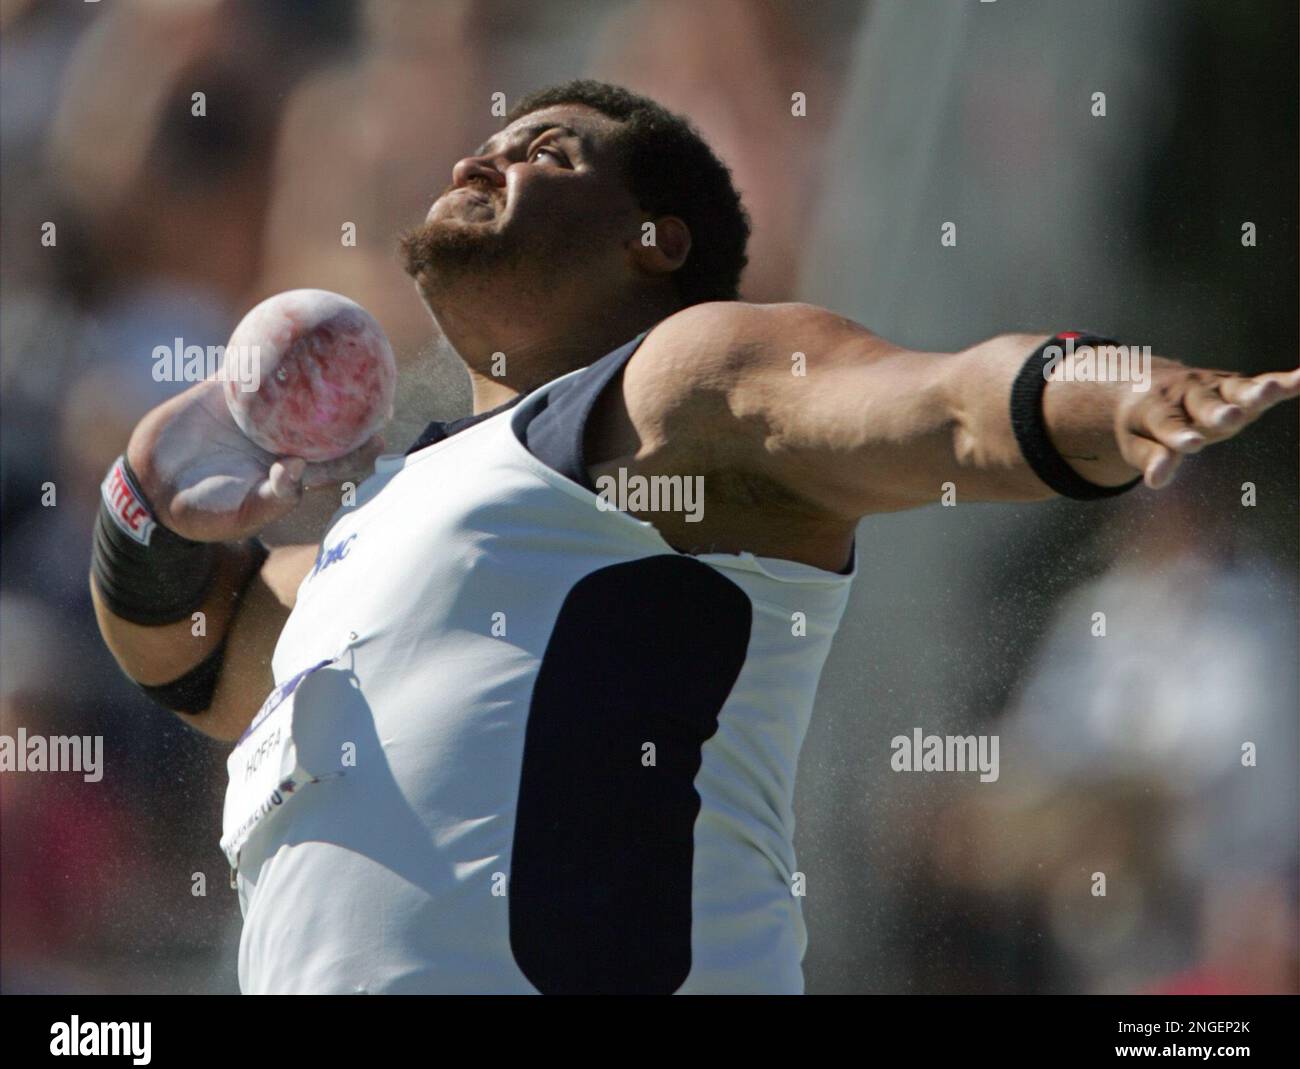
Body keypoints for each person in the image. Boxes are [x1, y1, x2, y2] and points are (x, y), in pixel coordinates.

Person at [89, 80, 1300, 994]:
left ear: (651, 241)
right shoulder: (383, 518)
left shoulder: (669, 391)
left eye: (546, 150)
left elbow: (938, 403)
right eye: (491, 139)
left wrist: (1124, 393)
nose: (482, 153)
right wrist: (144, 507)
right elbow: (197, 663)